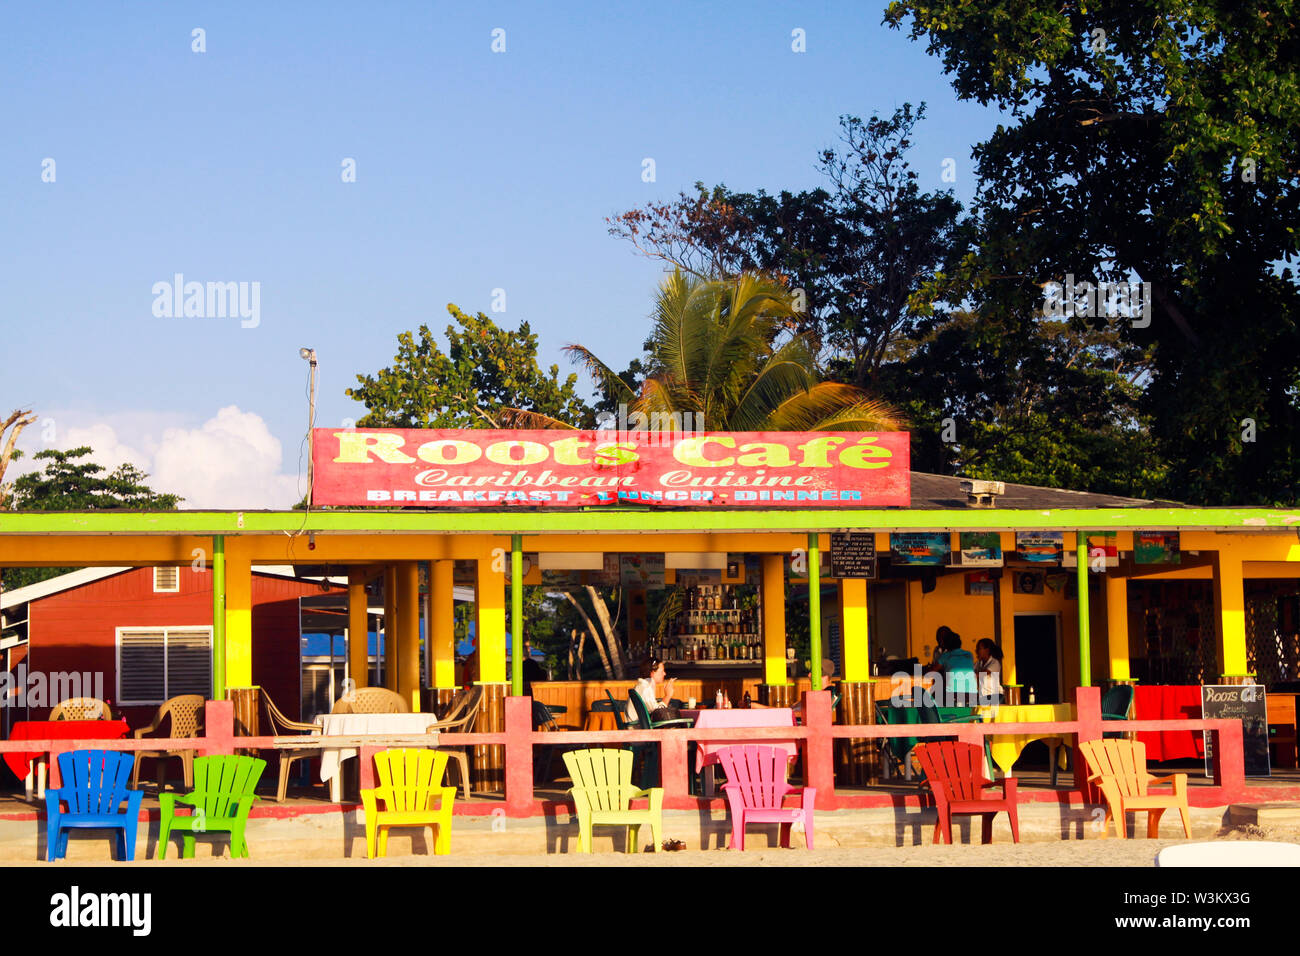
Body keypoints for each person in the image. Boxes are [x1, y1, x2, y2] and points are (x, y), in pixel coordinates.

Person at [932, 628, 977, 705]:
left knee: (935, 692)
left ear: (946, 644)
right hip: (972, 694)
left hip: (953, 695)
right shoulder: (969, 655)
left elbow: (932, 672)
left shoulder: (945, 656)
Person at [628, 657, 678, 723]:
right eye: (662, 671)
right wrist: (668, 696)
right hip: (640, 729)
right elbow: (658, 715)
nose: (664, 674)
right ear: (652, 673)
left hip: (638, 726)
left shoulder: (642, 686)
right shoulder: (646, 688)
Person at [973, 638, 1004, 705]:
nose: (977, 651)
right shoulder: (978, 663)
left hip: (994, 695)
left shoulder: (995, 663)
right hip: (983, 696)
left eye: (979, 648)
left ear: (987, 650)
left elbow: (983, 673)